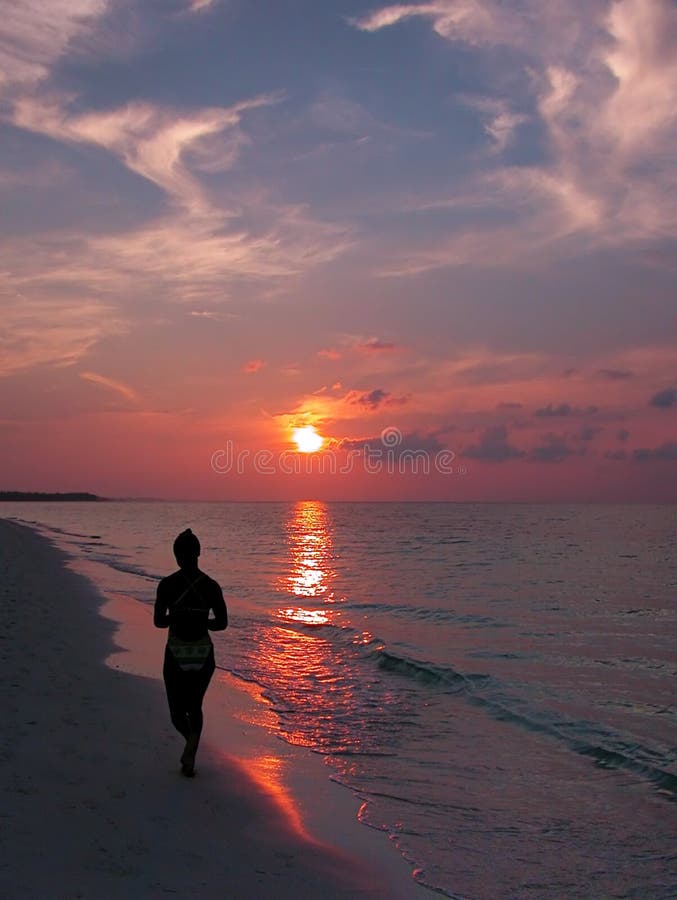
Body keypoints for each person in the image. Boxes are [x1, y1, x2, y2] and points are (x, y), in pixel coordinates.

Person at [154, 528, 228, 776]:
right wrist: (201, 621)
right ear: (199, 553)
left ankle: (190, 746)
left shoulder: (166, 585)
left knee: (176, 712)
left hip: (175, 652)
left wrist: (177, 616)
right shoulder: (211, 586)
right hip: (203, 653)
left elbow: (159, 622)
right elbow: (222, 623)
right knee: (195, 706)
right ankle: (191, 752)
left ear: (175, 556)